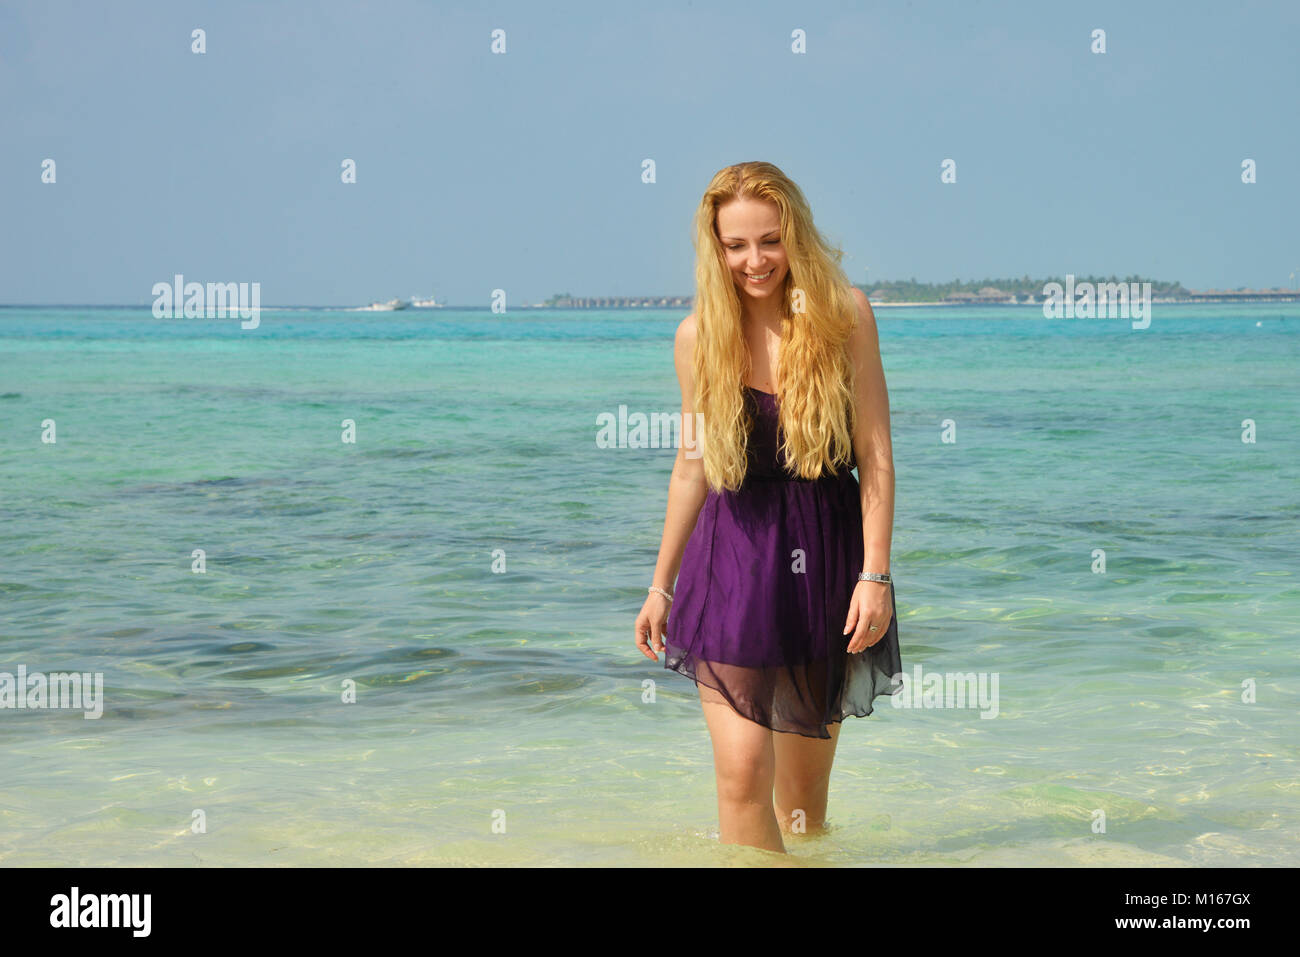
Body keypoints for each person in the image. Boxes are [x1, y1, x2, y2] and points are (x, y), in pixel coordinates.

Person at [633, 160, 902, 854]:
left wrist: (876, 574)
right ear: (715, 249)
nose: (755, 260)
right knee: (742, 773)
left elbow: (875, 456)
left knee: (805, 809)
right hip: (732, 562)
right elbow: (692, 466)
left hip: (827, 562)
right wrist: (660, 584)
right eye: (736, 245)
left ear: (796, 237)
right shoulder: (698, 337)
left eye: (770, 240)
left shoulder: (844, 316)